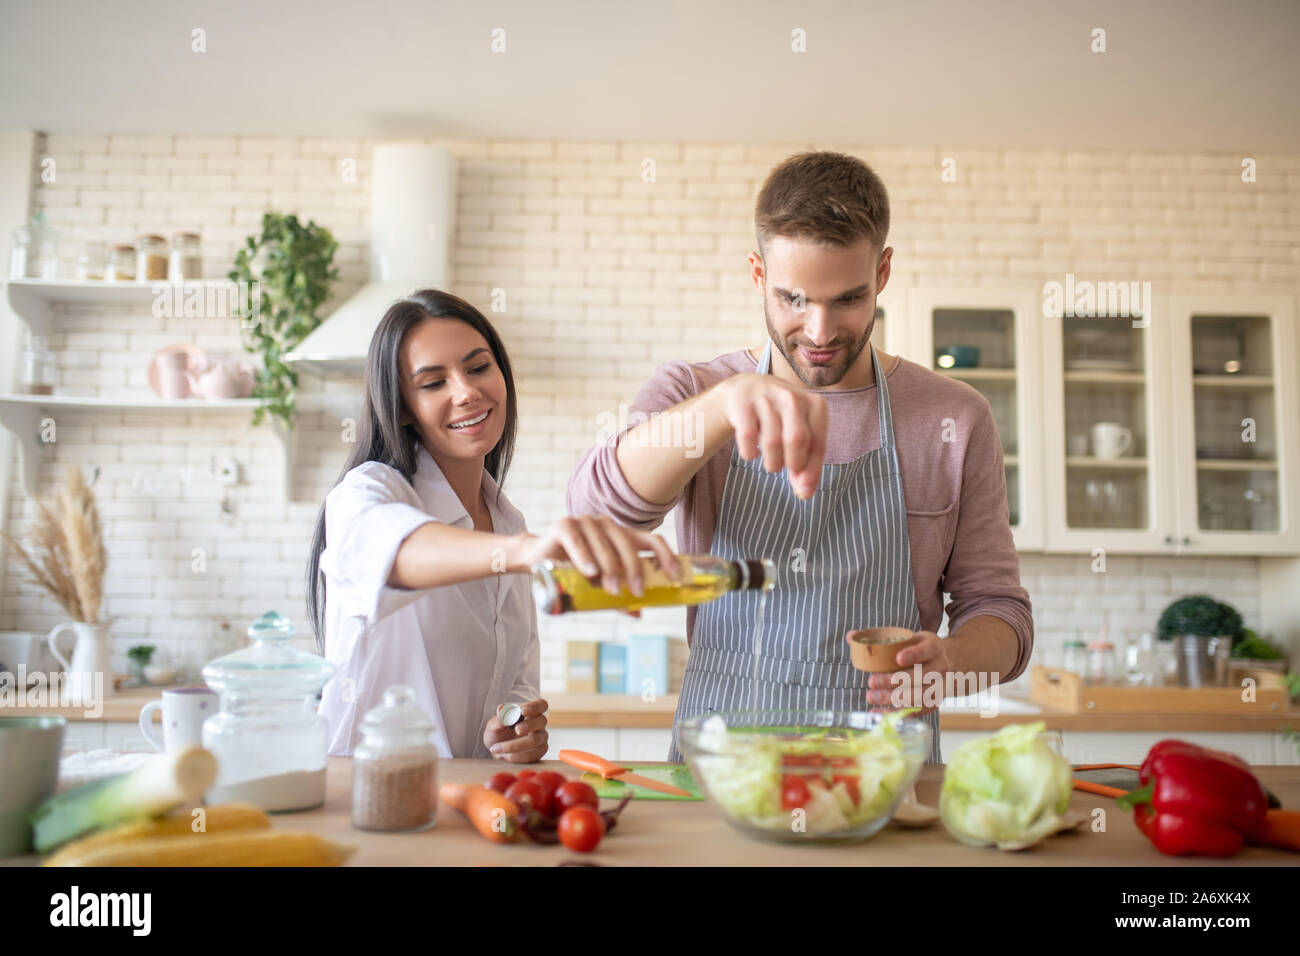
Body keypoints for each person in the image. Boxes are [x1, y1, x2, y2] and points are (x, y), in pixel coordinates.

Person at [567, 152, 1034, 763]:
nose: (819, 331)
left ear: (883, 273)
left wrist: (953, 666)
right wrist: (724, 407)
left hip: (886, 775)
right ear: (759, 275)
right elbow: (593, 513)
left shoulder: (954, 417)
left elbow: (1002, 617)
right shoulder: (693, 390)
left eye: (847, 299)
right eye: (794, 299)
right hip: (721, 775)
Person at [307, 289, 680, 759]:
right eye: (433, 383)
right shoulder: (367, 493)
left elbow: (517, 679)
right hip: (368, 799)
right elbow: (394, 554)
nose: (466, 391)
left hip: (463, 805)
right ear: (402, 408)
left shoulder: (507, 521)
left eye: (478, 367)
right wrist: (529, 550)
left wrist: (516, 728)